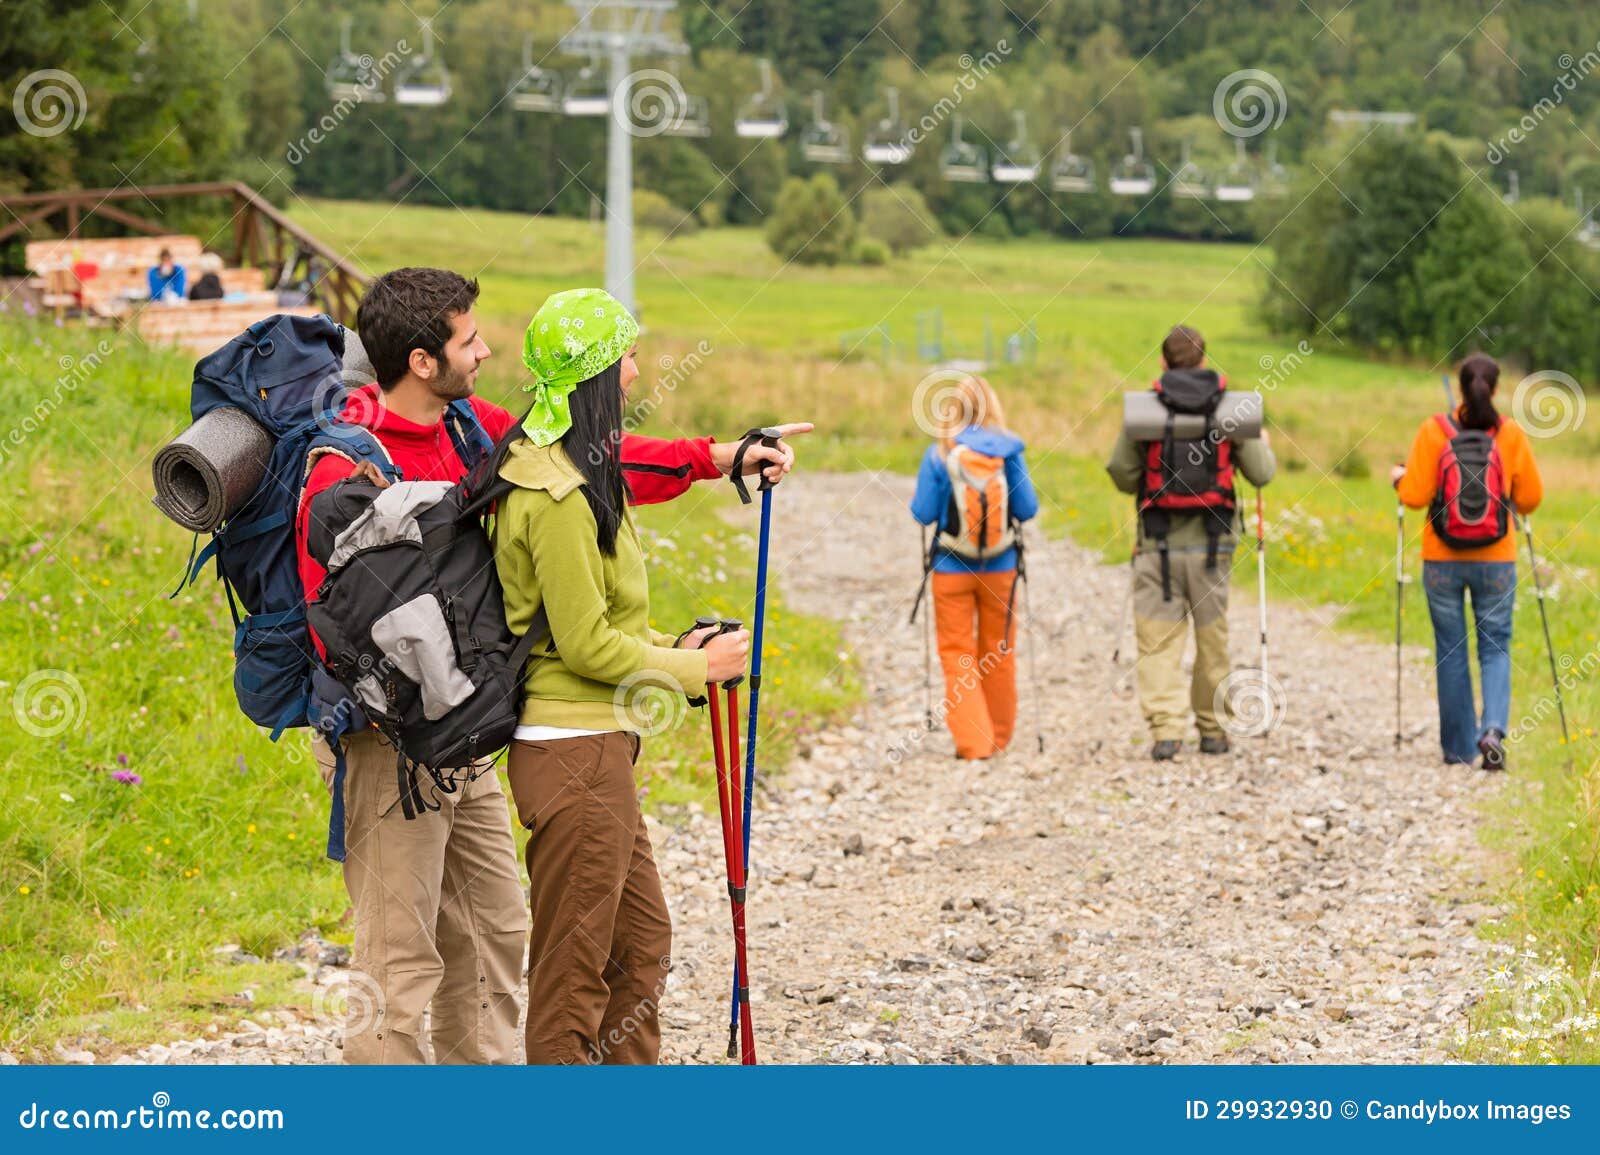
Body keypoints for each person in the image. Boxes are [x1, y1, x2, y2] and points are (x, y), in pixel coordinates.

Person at [292, 267, 809, 1064]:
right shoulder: (347, 460)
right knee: (401, 955)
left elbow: (596, 458)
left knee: (495, 932)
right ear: (423, 361)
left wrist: (718, 457)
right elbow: (330, 617)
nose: (485, 351)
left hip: (469, 729)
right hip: (386, 738)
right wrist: (685, 667)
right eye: (469, 340)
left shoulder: (473, 428)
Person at [494, 288, 752, 1065]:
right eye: (628, 357)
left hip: (599, 748)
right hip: (571, 751)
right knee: (574, 974)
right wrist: (695, 667)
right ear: (597, 374)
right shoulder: (556, 492)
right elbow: (583, 647)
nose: (638, 372)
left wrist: (679, 644)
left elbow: (596, 626)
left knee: (639, 947)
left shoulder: (578, 468)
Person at [1106, 324, 1276, 761]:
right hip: (1213, 546)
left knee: (1158, 641)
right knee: (1211, 640)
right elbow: (1261, 473)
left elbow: (1122, 474)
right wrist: (1261, 442)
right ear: (1204, 360)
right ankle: (1212, 730)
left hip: (1156, 544)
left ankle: (1167, 732)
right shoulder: (1231, 410)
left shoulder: (1145, 412)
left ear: (1163, 362)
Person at [1391, 352, 1542, 770]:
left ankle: (1458, 748)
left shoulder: (1433, 430)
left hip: (1442, 558)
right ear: (1495, 388)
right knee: (1495, 646)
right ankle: (1492, 731)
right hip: (1496, 559)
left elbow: (1414, 496)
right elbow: (1531, 498)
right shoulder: (1510, 433)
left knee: (1451, 648)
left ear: (1460, 389)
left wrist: (1400, 478)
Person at [908, 375, 1038, 760]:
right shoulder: (1009, 451)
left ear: (953, 409)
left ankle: (974, 743)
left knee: (957, 653)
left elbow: (923, 513)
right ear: (993, 407)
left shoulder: (940, 452)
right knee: (999, 651)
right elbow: (1028, 509)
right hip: (1002, 568)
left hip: (951, 569)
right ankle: (999, 736)